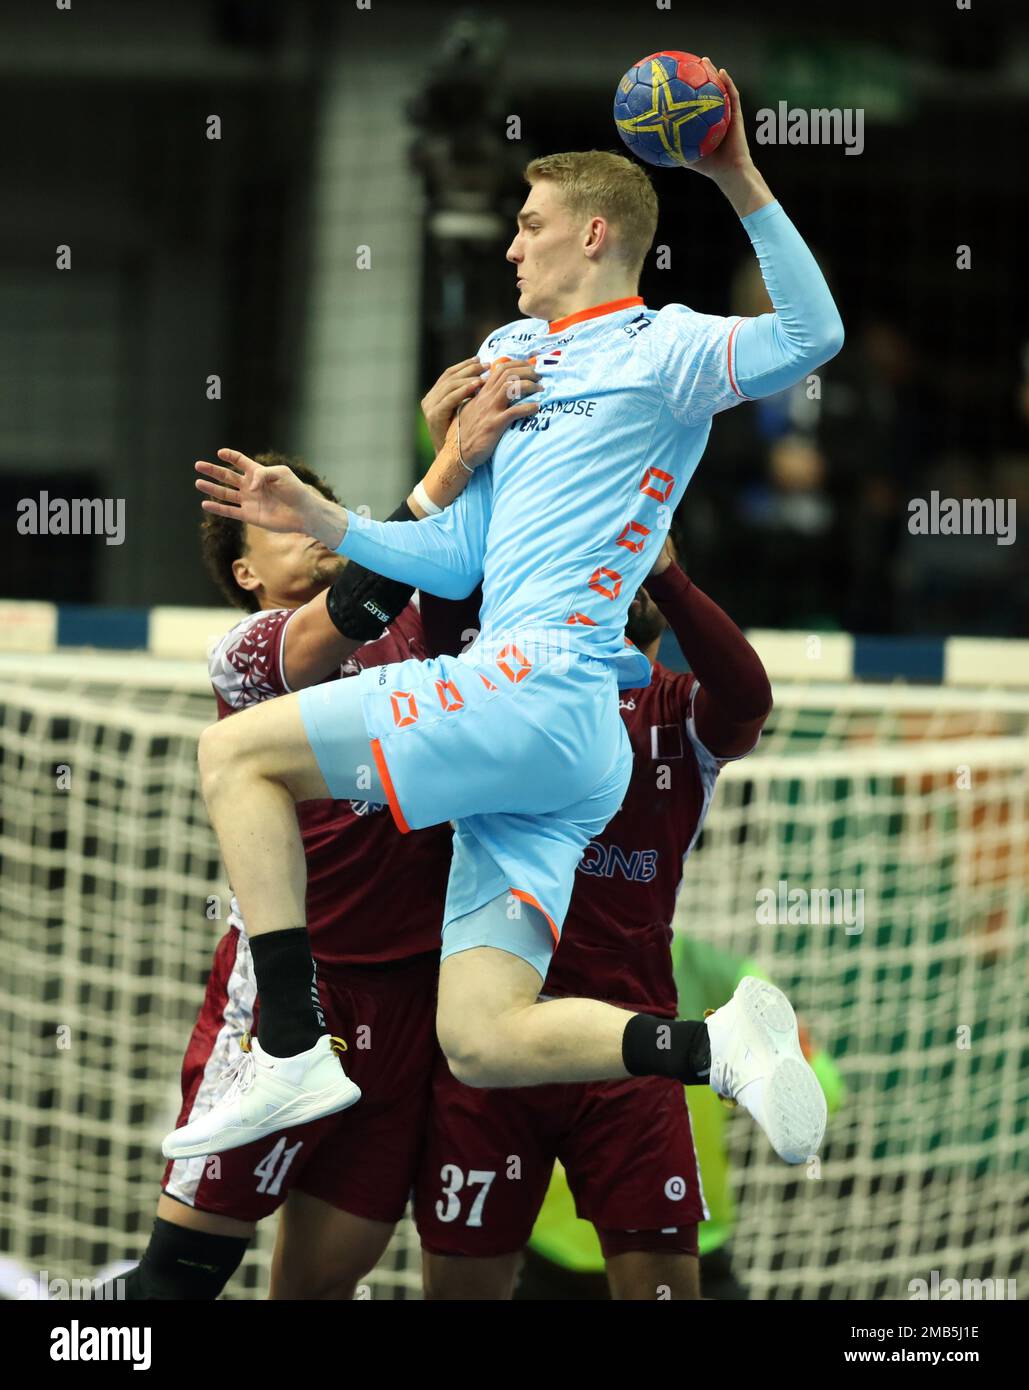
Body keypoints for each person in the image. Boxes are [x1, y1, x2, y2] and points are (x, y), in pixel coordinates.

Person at [167, 65, 843, 1167]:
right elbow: (456, 555)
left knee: (234, 754)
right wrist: (326, 518)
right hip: (567, 745)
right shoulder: (510, 360)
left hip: (533, 683)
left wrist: (734, 170)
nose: (510, 247)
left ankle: (285, 1040)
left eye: (528, 227)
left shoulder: (666, 349)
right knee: (479, 1037)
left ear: (590, 233)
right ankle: (718, 1049)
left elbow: (812, 336)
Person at [116, 359, 530, 1299]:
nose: (303, 525)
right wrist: (442, 467)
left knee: (317, 1289)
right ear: (244, 571)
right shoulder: (251, 654)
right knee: (178, 1280)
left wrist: (461, 452)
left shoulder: (422, 628)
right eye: (275, 519)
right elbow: (358, 605)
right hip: (298, 991)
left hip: (411, 996)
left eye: (310, 509)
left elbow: (442, 576)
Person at [415, 535, 772, 1300]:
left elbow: (748, 700)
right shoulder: (509, 687)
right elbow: (443, 620)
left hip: (629, 1046)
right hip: (495, 1038)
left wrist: (672, 574)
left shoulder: (677, 708)